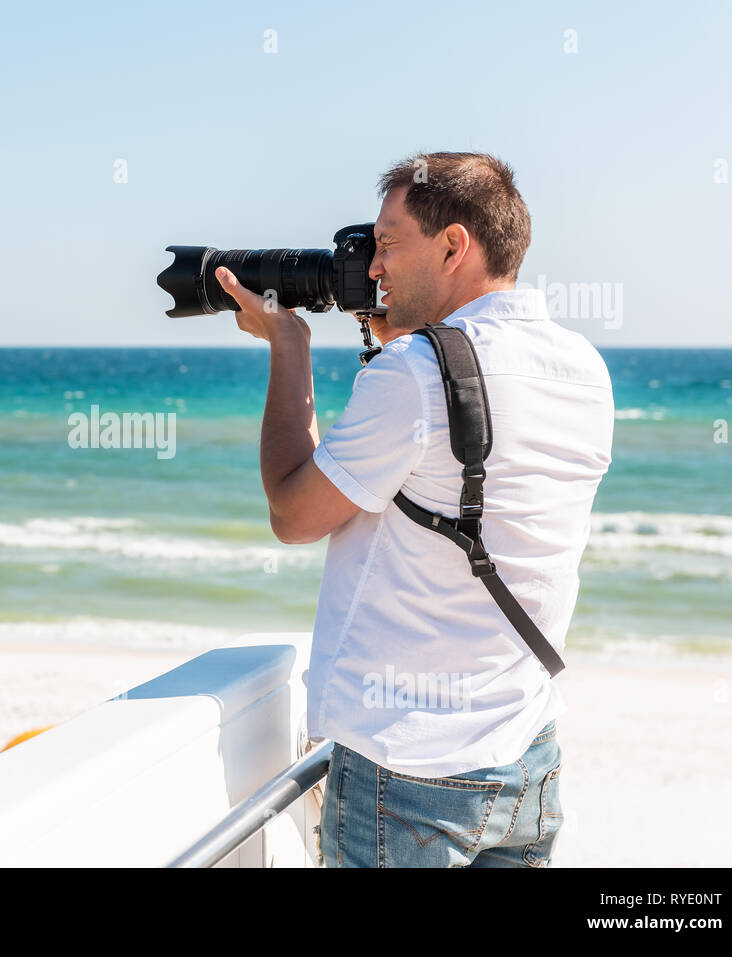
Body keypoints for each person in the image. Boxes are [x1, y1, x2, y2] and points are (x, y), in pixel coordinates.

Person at [215, 152, 613, 867]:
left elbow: (293, 513)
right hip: (527, 755)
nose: (372, 269)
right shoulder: (582, 367)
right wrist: (416, 345)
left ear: (454, 245)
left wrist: (289, 346)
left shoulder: (418, 372)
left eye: (389, 245)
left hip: (408, 777)